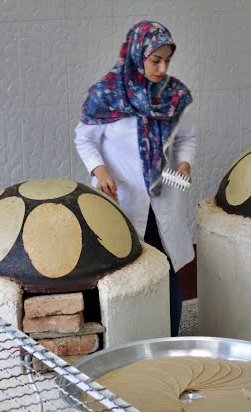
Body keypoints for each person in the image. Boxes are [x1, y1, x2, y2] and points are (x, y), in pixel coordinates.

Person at [75, 20, 196, 337]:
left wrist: (184, 163)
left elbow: (186, 139)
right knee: (122, 269)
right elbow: (84, 139)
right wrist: (99, 171)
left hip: (163, 199)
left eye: (167, 60)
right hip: (124, 200)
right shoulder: (107, 94)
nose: (162, 68)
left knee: (165, 267)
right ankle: (127, 340)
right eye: (155, 60)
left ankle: (170, 339)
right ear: (136, 54)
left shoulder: (173, 96)